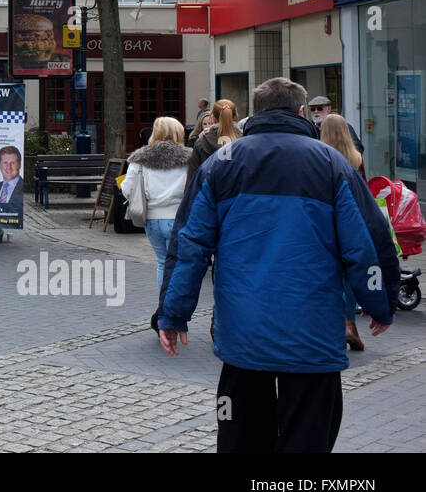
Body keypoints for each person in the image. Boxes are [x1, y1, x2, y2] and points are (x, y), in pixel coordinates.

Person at [158, 77, 399, 453]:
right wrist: (381, 302)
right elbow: (367, 242)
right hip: (313, 333)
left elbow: (190, 245)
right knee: (309, 437)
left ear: (256, 111)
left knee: (239, 436)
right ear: (302, 111)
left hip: (242, 332)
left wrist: (173, 314)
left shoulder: (221, 164)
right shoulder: (331, 164)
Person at [120, 116, 192, 329]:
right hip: (178, 217)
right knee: (177, 264)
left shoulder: (140, 158)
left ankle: (163, 306)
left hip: (152, 218)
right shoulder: (188, 158)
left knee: (162, 262)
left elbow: (127, 189)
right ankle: (171, 309)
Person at [321, 113, 371, 352]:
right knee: (349, 274)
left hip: (327, 221)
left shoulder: (319, 158)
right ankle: (349, 323)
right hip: (353, 220)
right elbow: (364, 190)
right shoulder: (356, 158)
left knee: (329, 274)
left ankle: (332, 325)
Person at [186, 99, 240, 182]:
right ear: (236, 116)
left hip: (208, 188)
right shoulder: (245, 140)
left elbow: (192, 177)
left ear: (213, 117)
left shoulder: (202, 142)